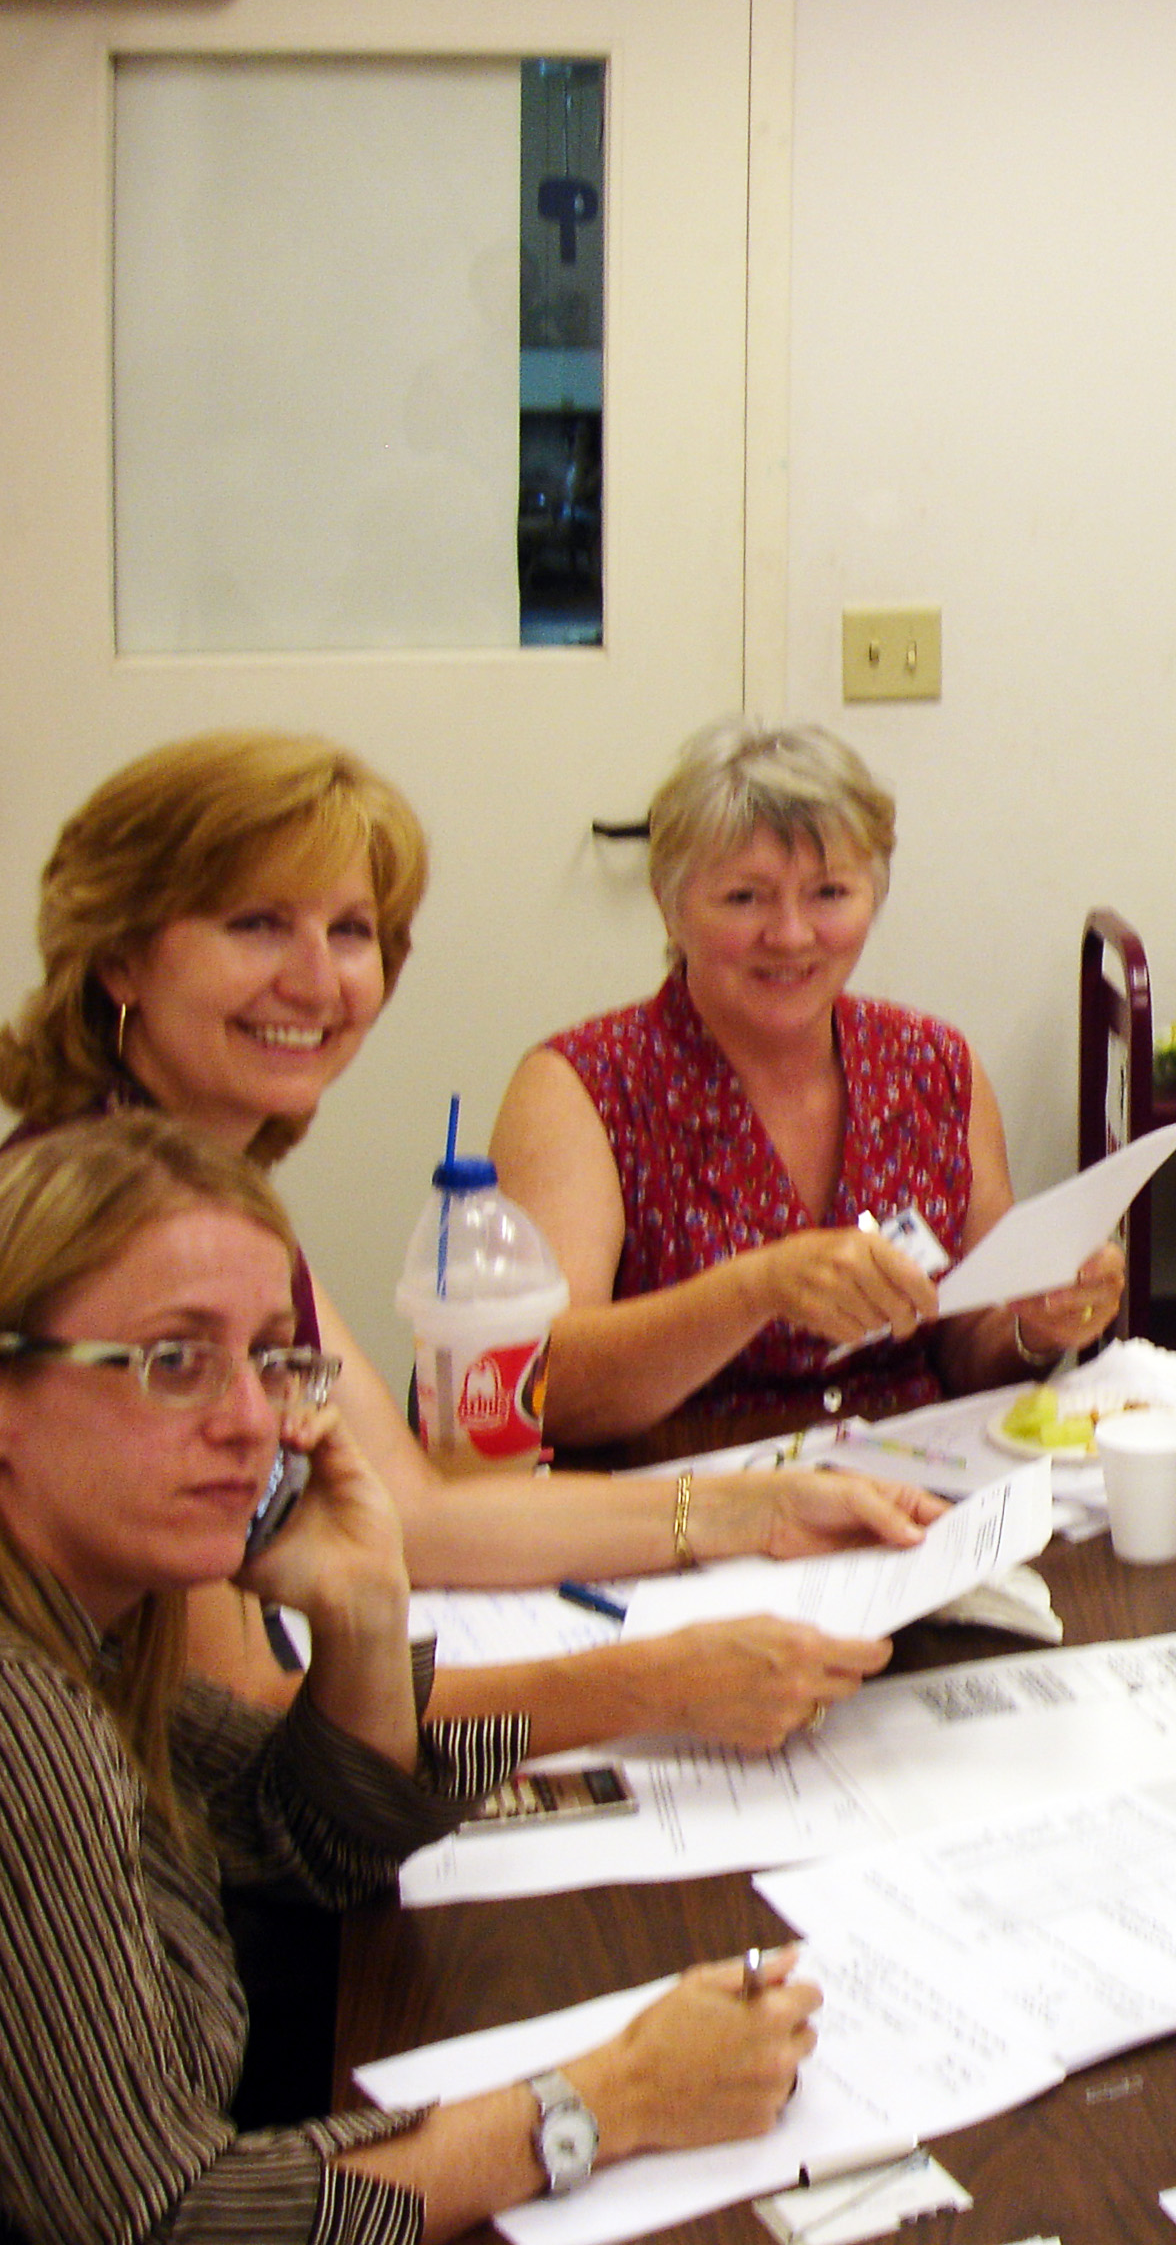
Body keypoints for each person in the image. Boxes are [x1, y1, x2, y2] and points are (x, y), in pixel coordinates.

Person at [0, 731, 939, 1759]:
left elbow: (415, 1513)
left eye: (350, 931)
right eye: (257, 924)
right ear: (121, 955)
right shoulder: (115, 1235)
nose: (316, 981)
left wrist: (754, 1511)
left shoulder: (189, 1185)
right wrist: (653, 1684)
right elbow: (237, 1716)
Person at [0, 1111, 817, 2244]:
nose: (251, 1422)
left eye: (272, 1360)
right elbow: (171, 2222)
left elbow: (312, 1841)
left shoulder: (96, 1626)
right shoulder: (24, 1721)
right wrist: (610, 2100)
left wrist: (367, 1610)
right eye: (174, 1362)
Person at [492, 719, 1124, 1451]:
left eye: (829, 893)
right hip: (680, 1499)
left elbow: (968, 1347)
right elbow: (539, 1390)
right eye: (744, 898)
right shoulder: (583, 1088)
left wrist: (1038, 1324)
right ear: (671, 905)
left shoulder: (934, 1066)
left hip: (918, 1481)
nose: (791, 935)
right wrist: (754, 1290)